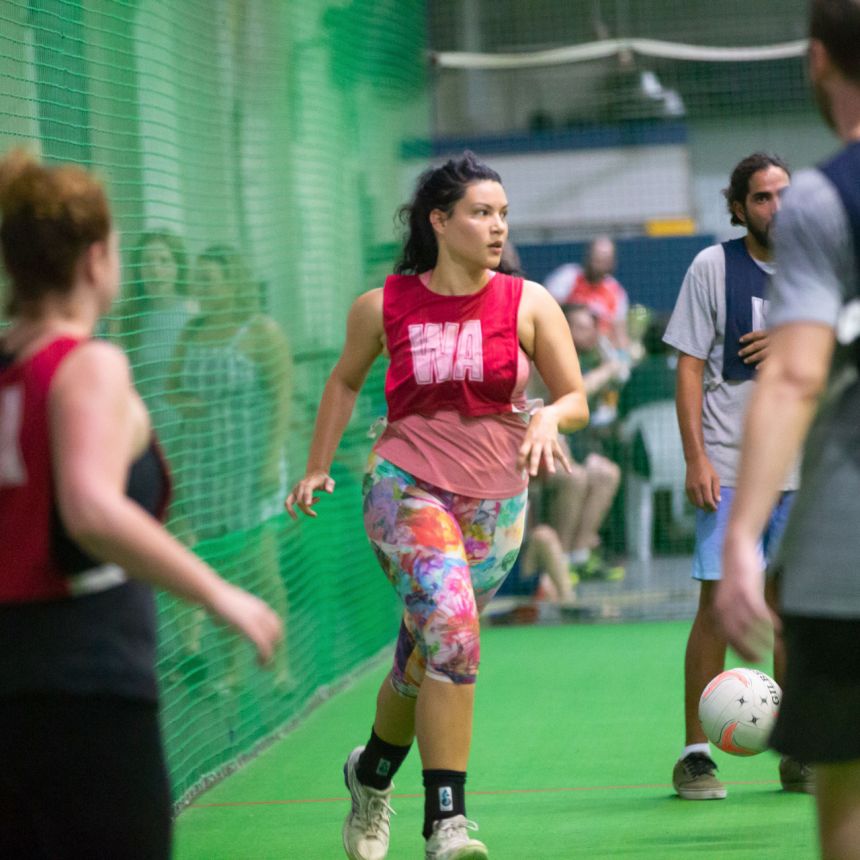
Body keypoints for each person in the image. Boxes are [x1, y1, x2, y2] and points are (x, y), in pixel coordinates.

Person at [286, 151, 588, 860]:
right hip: (406, 488)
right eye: (482, 212)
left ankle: (369, 776)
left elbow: (572, 396)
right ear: (440, 220)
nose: (497, 226)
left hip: (497, 505)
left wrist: (549, 419)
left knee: (425, 656)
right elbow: (343, 382)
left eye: (503, 214)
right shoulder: (384, 304)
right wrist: (317, 468)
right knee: (453, 634)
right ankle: (445, 823)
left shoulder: (530, 302)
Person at [0, 150, 283, 859]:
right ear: (96, 259)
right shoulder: (85, 364)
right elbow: (91, 509)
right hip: (84, 686)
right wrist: (220, 594)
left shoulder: (5, 368)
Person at [717, 2, 860, 856]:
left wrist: (742, 538)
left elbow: (797, 373)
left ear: (817, 61)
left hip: (846, 555)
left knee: (845, 791)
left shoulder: (822, 199)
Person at [662, 152, 810, 800]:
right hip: (728, 465)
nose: (774, 208)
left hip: (805, 469)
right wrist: (695, 457)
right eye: (761, 198)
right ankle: (696, 754)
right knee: (719, 608)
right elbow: (689, 367)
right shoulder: (712, 267)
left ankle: (798, 752)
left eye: (783, 194)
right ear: (738, 206)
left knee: (790, 612)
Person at [165, 244, 292, 691]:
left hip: (251, 458)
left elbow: (281, 398)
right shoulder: (192, 331)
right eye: (198, 278)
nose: (202, 285)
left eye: (211, 277)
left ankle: (279, 664)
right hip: (205, 461)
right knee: (219, 571)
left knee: (261, 566)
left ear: (232, 281)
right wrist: (190, 405)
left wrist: (270, 461)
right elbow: (171, 387)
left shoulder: (261, 332)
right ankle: (231, 671)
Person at [545, 235, 630, 351]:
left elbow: (620, 336)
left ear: (612, 263)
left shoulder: (616, 292)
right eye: (596, 258)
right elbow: (545, 314)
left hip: (599, 351)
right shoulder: (567, 277)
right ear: (588, 256)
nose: (599, 264)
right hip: (563, 346)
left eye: (604, 260)